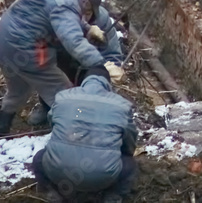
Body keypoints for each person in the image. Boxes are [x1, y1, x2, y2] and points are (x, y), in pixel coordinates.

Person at [0, 0, 124, 138]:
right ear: (85, 2)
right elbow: (73, 41)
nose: (86, 16)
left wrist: (88, 29)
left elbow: (65, 15)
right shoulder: (65, 5)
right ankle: (76, 136)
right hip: (26, 50)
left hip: (4, 45)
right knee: (65, 94)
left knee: (18, 91)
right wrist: (101, 66)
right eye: (87, 12)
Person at [31, 64, 138, 203]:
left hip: (57, 173)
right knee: (130, 166)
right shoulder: (121, 105)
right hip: (102, 177)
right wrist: (123, 152)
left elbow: (53, 122)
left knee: (39, 159)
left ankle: (52, 193)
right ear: (108, 84)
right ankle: (113, 197)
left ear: (83, 81)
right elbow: (129, 138)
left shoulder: (63, 97)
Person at [25, 0, 126, 127]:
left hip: (90, 67)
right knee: (48, 70)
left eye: (88, 12)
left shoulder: (103, 21)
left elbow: (113, 53)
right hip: (61, 60)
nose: (83, 16)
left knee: (88, 93)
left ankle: (83, 116)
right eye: (81, 11)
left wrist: (110, 68)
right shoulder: (62, 15)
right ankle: (47, 107)